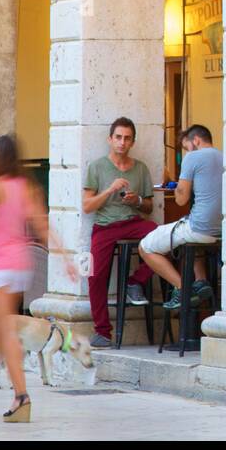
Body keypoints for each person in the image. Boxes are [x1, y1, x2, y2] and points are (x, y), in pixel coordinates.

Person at [0, 135, 76, 422]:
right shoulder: (26, 187)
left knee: (5, 330)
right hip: (19, 265)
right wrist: (65, 257)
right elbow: (42, 226)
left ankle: (21, 396)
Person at [82, 117, 157, 348]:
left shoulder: (141, 168)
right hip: (104, 226)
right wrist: (110, 190)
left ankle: (135, 282)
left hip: (132, 222)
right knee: (95, 275)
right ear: (110, 139)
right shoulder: (97, 166)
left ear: (133, 142)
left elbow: (149, 207)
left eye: (127, 138)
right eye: (118, 137)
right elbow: (87, 206)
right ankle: (102, 332)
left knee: (162, 237)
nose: (122, 142)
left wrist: (137, 200)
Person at [139, 125, 222, 311]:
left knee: (145, 247)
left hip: (200, 228)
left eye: (186, 147)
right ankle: (201, 281)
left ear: (196, 140)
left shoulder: (192, 157)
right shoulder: (224, 157)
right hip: (221, 231)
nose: (186, 152)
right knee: (188, 239)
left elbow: (181, 199)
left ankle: (183, 289)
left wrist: (178, 187)